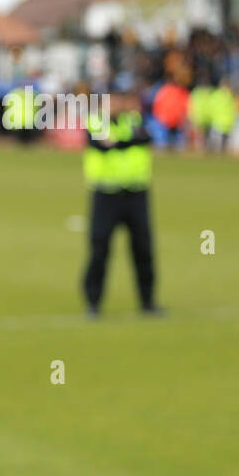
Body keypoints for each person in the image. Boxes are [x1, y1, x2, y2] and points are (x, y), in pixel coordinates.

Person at [81, 92, 161, 318]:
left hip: (136, 193)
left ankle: (148, 302)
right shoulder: (95, 121)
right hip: (106, 194)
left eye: (119, 100)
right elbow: (102, 146)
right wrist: (125, 142)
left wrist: (119, 143)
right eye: (111, 101)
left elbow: (144, 139)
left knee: (143, 249)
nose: (116, 105)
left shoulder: (134, 120)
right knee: (100, 249)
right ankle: (93, 303)